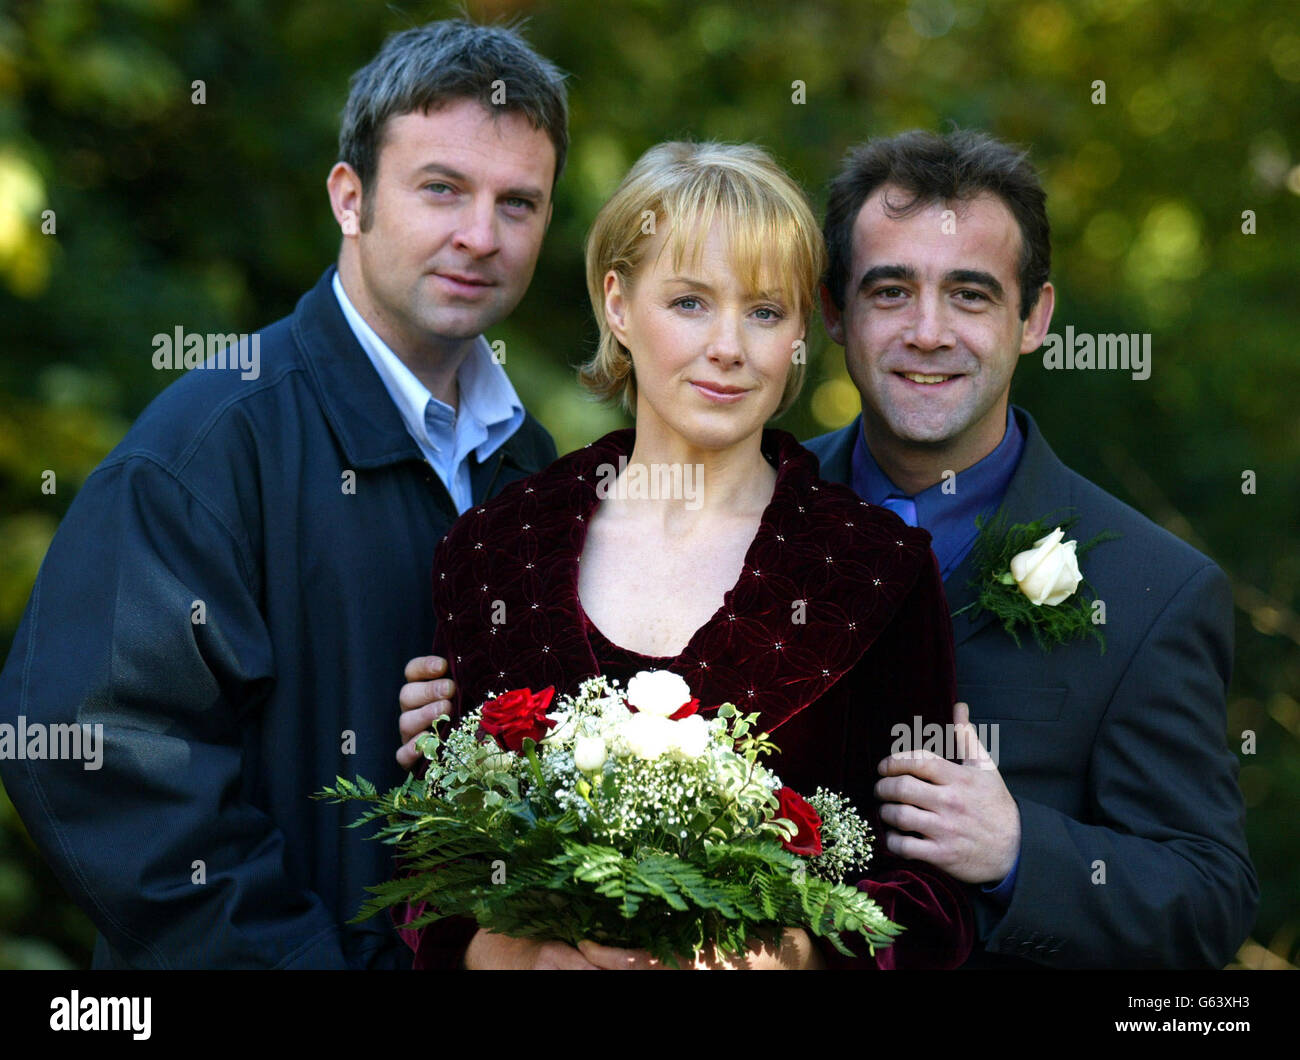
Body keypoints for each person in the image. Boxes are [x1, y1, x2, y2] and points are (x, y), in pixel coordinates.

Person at [0, 19, 565, 969]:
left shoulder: (532, 465)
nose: (480, 235)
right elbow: (86, 751)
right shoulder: (212, 442)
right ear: (351, 198)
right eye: (442, 189)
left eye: (519, 204)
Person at [399, 141, 975, 970]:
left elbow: (934, 900)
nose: (730, 347)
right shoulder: (494, 552)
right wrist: (511, 956)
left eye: (766, 312)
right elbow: (426, 869)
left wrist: (786, 956)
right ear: (619, 304)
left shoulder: (875, 569)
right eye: (691, 303)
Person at [806, 129, 1257, 967]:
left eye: (971, 296)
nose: (929, 331)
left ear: (1034, 318)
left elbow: (1209, 896)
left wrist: (1020, 853)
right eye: (892, 291)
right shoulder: (754, 509)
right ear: (836, 311)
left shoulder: (1158, 590)